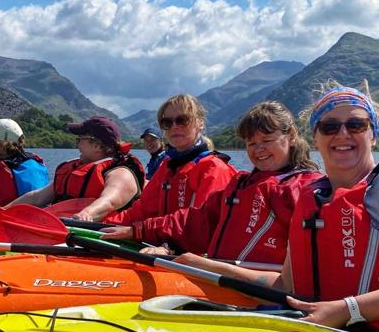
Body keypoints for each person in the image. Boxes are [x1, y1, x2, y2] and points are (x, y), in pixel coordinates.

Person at [204, 83, 379, 329]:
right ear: (315, 137)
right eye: (329, 127)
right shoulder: (311, 196)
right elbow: (287, 284)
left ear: (372, 134)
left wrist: (347, 310)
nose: (342, 134)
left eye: (356, 125)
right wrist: (211, 268)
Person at [102, 102, 320, 264]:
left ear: (290, 136)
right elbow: (198, 220)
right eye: (251, 143)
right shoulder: (242, 184)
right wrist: (139, 231)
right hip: (220, 283)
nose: (258, 149)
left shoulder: (304, 190)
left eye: (267, 141)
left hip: (259, 298)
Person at [103, 94, 238, 226]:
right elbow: (141, 211)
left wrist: (144, 233)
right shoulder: (168, 166)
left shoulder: (214, 169)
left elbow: (199, 225)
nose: (174, 126)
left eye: (182, 120)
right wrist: (103, 225)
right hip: (163, 242)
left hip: (184, 247)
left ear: (200, 123)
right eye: (167, 122)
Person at [11, 116, 144, 221]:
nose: (77, 144)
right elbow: (37, 197)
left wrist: (86, 214)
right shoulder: (76, 168)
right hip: (67, 232)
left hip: (100, 241)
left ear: (97, 146)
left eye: (80, 139)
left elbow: (109, 201)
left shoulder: (121, 173)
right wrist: (3, 210)